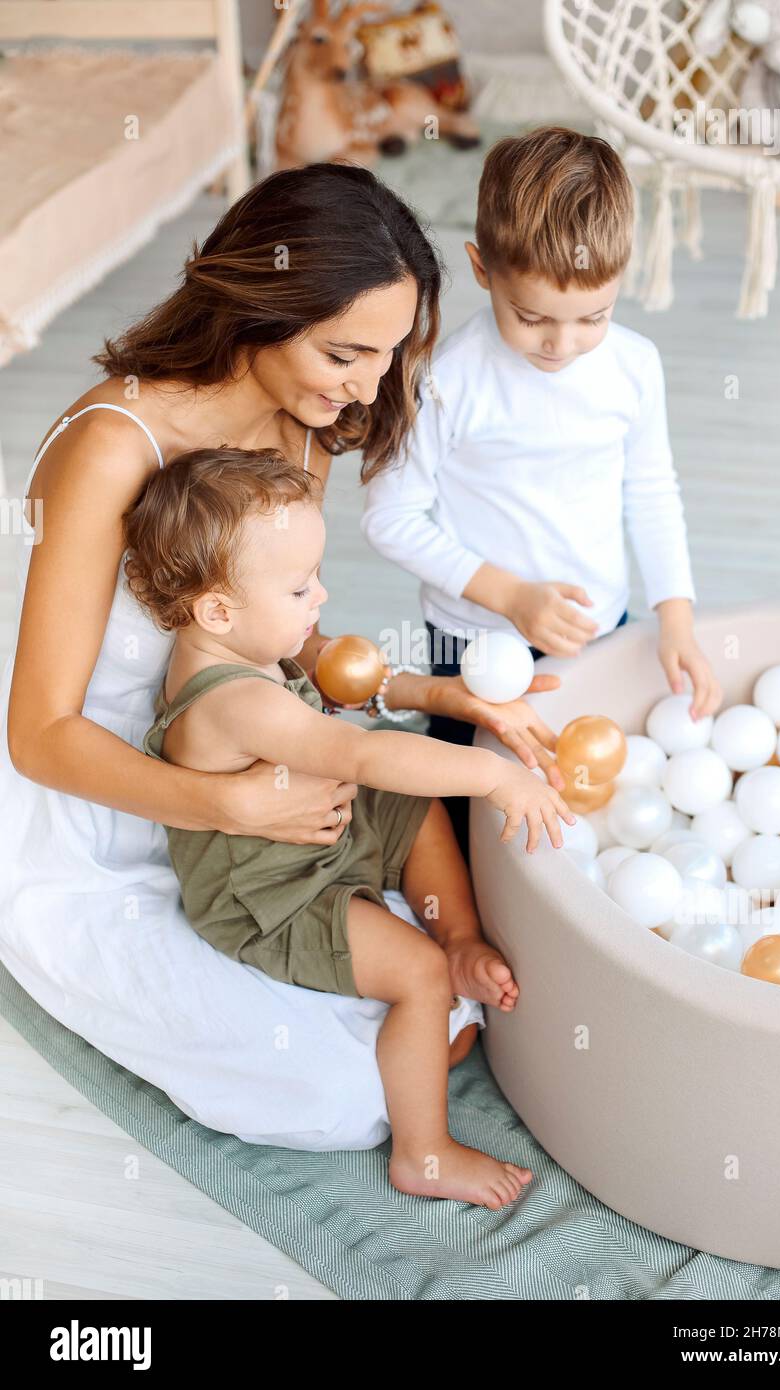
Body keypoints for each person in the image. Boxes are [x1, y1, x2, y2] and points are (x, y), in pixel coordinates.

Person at [0, 164, 567, 1152]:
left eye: (388, 356)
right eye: (345, 352)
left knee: (437, 988)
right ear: (259, 307)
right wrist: (232, 804)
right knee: (341, 1096)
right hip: (100, 803)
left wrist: (423, 690)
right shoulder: (113, 446)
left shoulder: (298, 425)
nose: (368, 388)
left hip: (241, 752)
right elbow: (39, 738)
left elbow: (277, 632)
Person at [125, 446, 574, 1205]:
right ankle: (422, 1152)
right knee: (417, 975)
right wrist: (496, 774)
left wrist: (413, 691)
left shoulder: (238, 645)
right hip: (278, 893)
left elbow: (355, 728)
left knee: (415, 806)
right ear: (217, 611)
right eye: (300, 587)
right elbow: (358, 755)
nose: (321, 595)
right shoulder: (235, 701)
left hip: (319, 826)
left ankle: (458, 935)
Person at [361, 126, 724, 857]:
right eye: (532, 319)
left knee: (582, 785)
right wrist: (511, 597)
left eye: (594, 317)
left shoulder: (633, 368)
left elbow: (652, 489)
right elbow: (389, 517)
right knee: (472, 800)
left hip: (600, 623)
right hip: (477, 636)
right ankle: (456, 910)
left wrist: (676, 616)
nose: (562, 345)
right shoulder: (445, 377)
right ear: (483, 268)